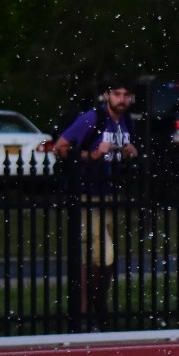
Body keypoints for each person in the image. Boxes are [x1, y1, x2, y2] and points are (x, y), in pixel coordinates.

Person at [54, 81, 139, 316]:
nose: (122, 99)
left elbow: (119, 153)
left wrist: (129, 151)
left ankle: (91, 309)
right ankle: (94, 309)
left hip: (109, 195)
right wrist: (92, 155)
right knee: (103, 255)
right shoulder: (93, 118)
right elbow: (60, 147)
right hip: (88, 195)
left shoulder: (126, 122)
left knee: (98, 258)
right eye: (117, 93)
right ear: (106, 95)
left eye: (126, 94)